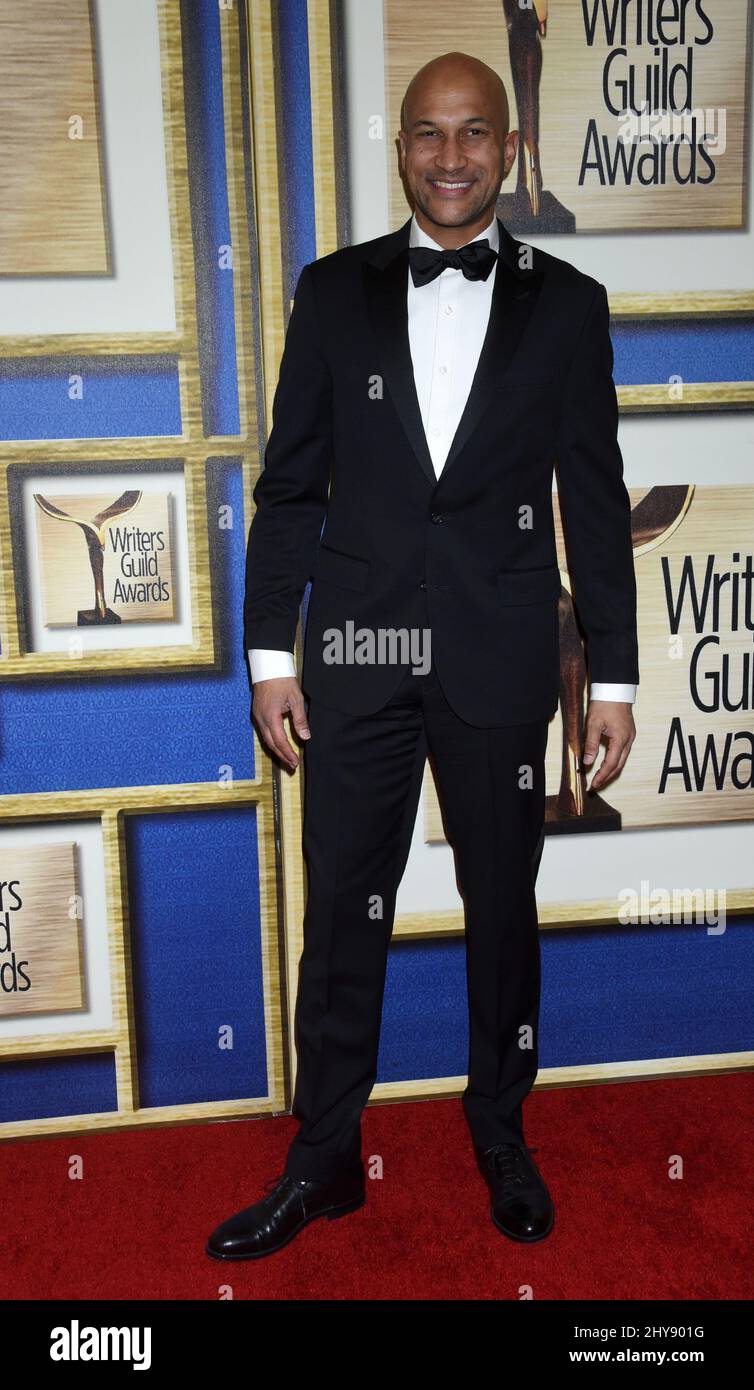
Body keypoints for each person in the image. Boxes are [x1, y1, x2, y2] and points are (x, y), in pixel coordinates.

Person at [206, 51, 638, 1261]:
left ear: (507, 149)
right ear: (400, 150)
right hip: (355, 649)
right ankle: (323, 1159)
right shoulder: (332, 291)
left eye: (474, 134)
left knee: (503, 908)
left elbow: (593, 503)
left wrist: (610, 676)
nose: (451, 157)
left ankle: (500, 1131)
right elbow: (288, 489)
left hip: (501, 657)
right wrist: (268, 655)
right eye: (428, 135)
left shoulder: (568, 303)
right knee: (343, 915)